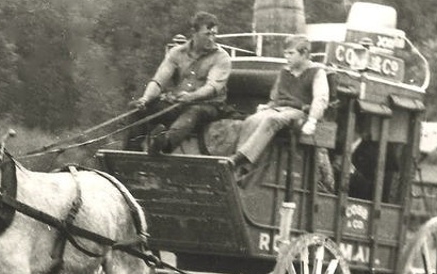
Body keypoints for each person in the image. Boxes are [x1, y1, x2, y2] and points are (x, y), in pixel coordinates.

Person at [230, 34, 333, 190]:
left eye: (291, 53)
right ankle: (241, 169)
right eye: (286, 53)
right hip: (278, 108)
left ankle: (240, 159)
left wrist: (312, 120)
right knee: (252, 120)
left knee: (273, 120)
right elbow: (275, 96)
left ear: (304, 53)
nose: (287, 57)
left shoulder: (317, 72)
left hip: (299, 111)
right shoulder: (284, 72)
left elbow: (321, 99)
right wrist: (267, 106)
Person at [128, 11, 232, 154]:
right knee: (139, 109)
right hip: (180, 103)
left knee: (194, 112)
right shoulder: (176, 53)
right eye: (207, 34)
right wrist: (145, 99)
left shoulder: (222, 57)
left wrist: (191, 97)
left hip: (209, 106)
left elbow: (212, 87)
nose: (211, 39)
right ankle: (130, 154)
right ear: (193, 32)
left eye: (214, 34)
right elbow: (159, 81)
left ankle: (165, 144)